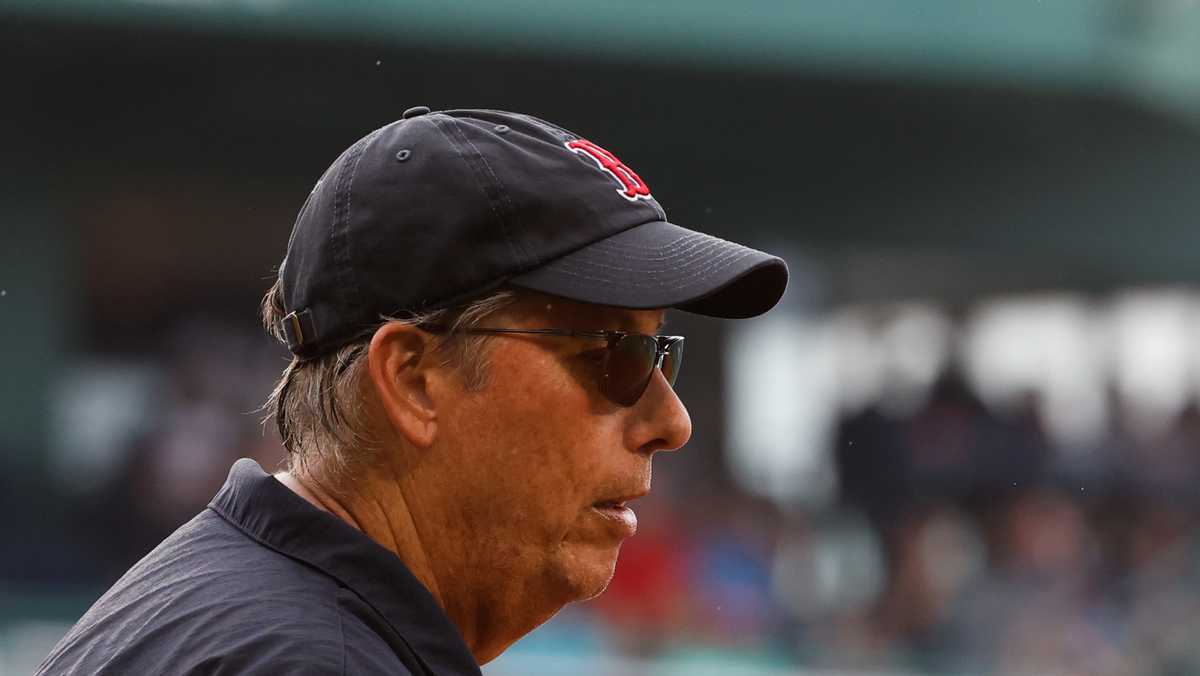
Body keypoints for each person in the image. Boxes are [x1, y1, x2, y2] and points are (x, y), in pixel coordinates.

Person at [37, 107, 788, 675]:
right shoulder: (312, 661)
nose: (672, 420)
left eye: (662, 353)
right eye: (614, 353)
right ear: (414, 380)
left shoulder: (248, 604)